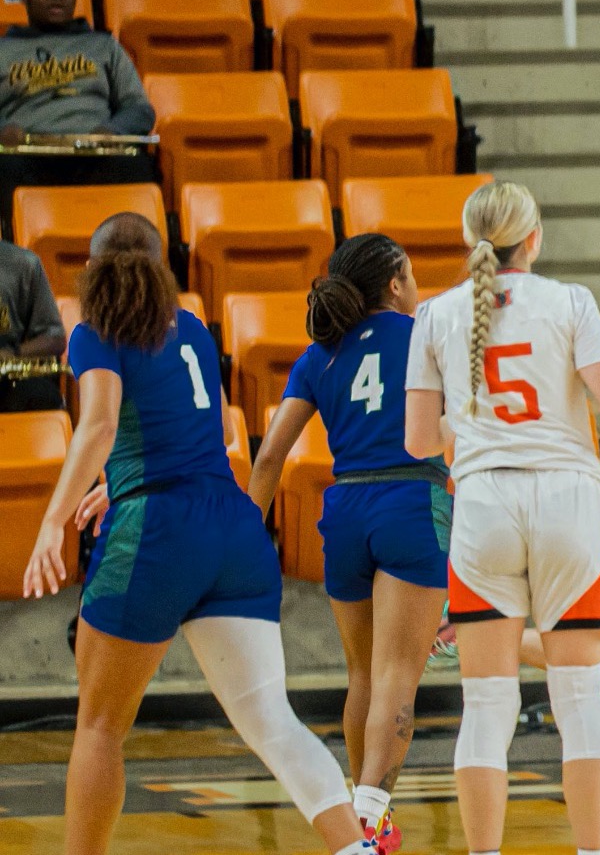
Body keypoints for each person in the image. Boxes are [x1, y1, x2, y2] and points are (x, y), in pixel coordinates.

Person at [21, 213, 377, 855]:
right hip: (233, 526)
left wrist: (53, 520)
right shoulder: (189, 326)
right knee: (274, 722)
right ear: (163, 268)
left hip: (159, 533)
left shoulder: (93, 331)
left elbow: (100, 424)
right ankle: (356, 847)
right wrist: (120, 481)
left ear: (91, 272)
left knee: (99, 727)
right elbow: (181, 432)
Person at [404, 180, 600, 855]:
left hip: (483, 504)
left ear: (469, 238)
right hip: (567, 501)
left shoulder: (434, 315)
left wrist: (474, 422)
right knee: (579, 701)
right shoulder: (572, 302)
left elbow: (419, 442)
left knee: (486, 708)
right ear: (534, 238)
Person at [244, 234, 439, 855]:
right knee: (398, 680)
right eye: (411, 277)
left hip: (345, 509)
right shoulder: (426, 336)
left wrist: (248, 542)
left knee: (362, 676)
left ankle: (363, 823)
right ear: (394, 286)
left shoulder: (319, 352)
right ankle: (372, 826)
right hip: (411, 502)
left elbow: (271, 454)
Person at [0, 0, 159, 225]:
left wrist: (111, 131)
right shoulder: (3, 50)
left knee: (134, 165)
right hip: (25, 158)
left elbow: (140, 110)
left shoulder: (105, 46)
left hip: (94, 155)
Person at [0, 236, 63, 410]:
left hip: (10, 374)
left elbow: (55, 339)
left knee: (38, 394)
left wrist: (12, 354)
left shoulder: (24, 263)